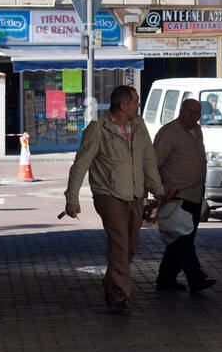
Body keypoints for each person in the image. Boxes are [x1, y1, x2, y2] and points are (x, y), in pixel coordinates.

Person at [65, 86, 172, 314]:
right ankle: (121, 297)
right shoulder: (98, 129)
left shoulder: (139, 125)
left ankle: (111, 283)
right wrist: (72, 198)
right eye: (136, 102)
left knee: (131, 244)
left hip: (135, 194)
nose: (138, 105)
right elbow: (81, 164)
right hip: (108, 194)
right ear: (123, 106)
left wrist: (158, 190)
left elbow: (148, 161)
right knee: (120, 244)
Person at [153, 98, 215, 293]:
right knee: (183, 241)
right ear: (181, 111)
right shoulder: (169, 132)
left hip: (195, 194)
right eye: (189, 112)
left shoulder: (197, 131)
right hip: (176, 195)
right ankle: (195, 278)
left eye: (197, 113)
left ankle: (166, 279)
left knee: (178, 241)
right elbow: (154, 163)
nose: (193, 116)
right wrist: (158, 190)